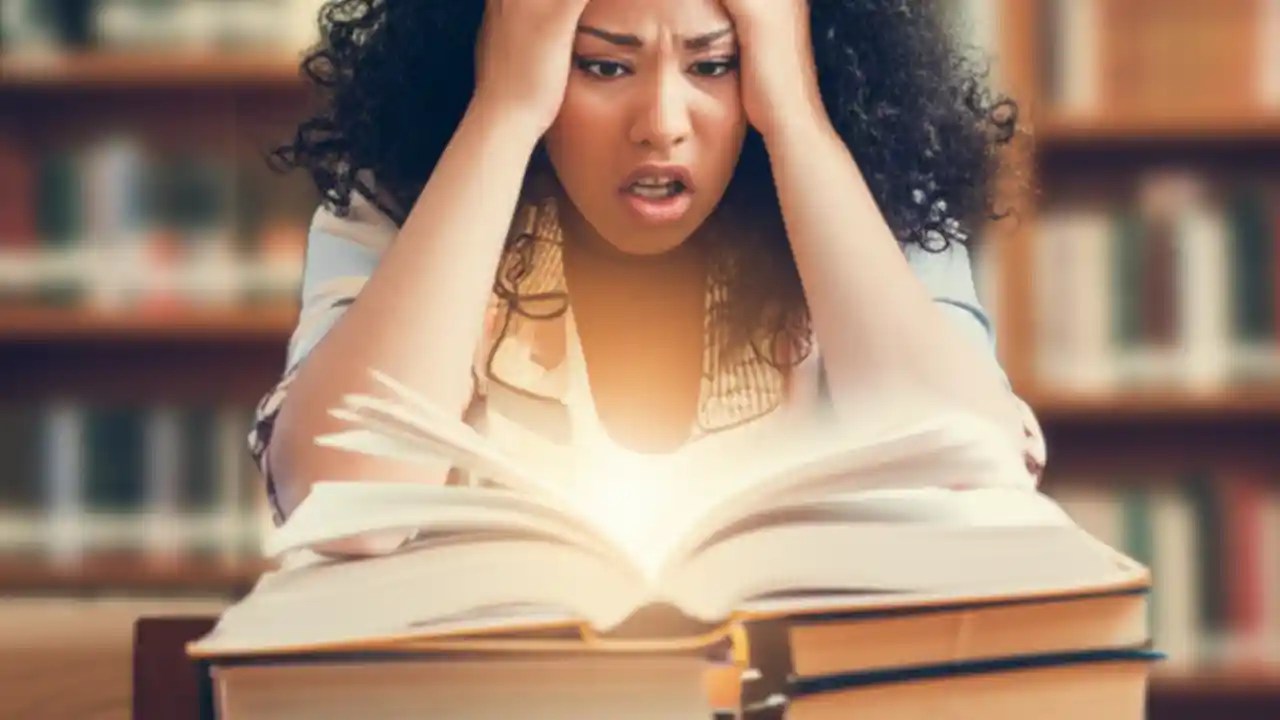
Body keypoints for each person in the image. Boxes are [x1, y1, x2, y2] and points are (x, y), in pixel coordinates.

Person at [250, 0, 1046, 528]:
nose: (662, 125)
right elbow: (334, 495)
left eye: (713, 65)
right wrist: (500, 114)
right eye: (602, 65)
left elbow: (976, 491)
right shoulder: (400, 197)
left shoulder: (874, 197)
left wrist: (799, 118)